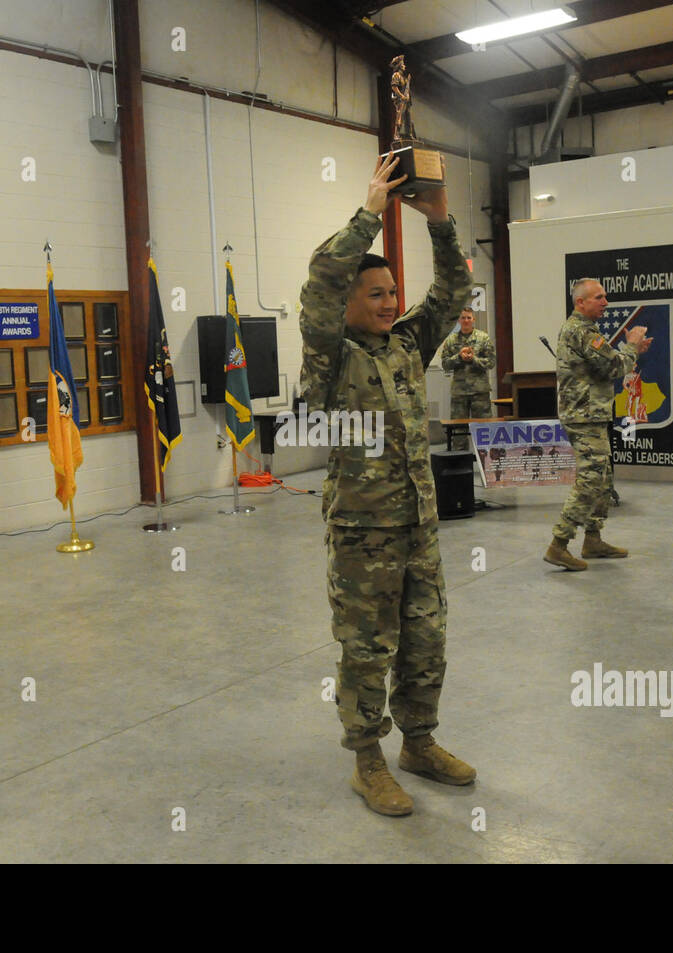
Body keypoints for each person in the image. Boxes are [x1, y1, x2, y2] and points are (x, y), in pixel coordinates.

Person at [299, 153, 474, 817]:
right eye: (375, 294)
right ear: (348, 302)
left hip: (419, 528)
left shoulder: (405, 344)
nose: (390, 302)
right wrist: (369, 214)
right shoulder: (329, 354)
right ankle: (367, 761)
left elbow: (452, 295)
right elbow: (319, 283)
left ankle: (419, 742)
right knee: (367, 651)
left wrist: (439, 223)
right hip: (363, 535)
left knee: (426, 642)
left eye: (393, 294)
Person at [544, 277, 650, 572]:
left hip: (592, 413)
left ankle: (593, 539)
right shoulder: (581, 331)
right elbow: (615, 367)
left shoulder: (587, 330)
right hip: (584, 415)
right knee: (591, 478)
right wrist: (631, 346)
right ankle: (559, 544)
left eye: (605, 297)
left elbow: (608, 364)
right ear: (581, 302)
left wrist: (633, 351)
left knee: (602, 477)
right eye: (599, 298)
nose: (606, 302)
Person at [440, 306, 496, 450]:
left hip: (480, 391)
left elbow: (491, 362)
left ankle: (487, 463)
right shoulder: (451, 340)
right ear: (459, 320)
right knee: (458, 432)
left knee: (484, 429)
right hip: (460, 392)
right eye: (463, 318)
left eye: (468, 318)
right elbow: (445, 364)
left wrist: (473, 360)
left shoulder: (483, 338)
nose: (466, 321)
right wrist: (458, 357)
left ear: (473, 319)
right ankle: (460, 466)